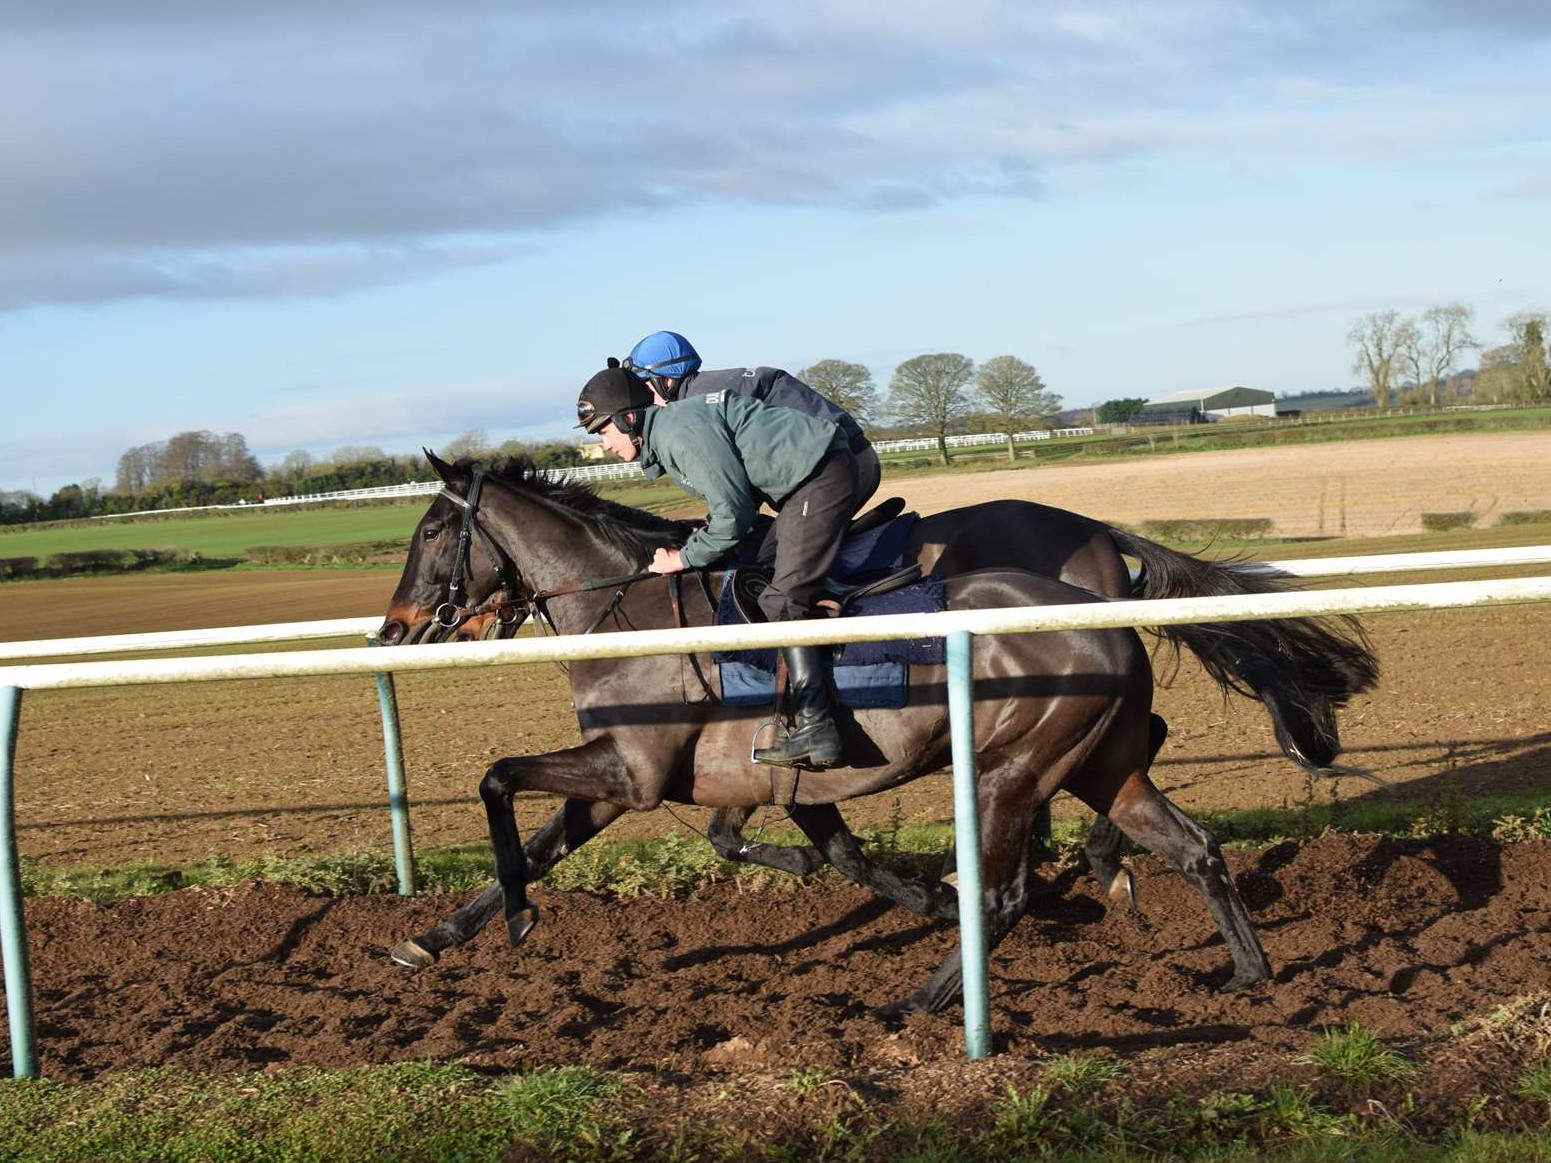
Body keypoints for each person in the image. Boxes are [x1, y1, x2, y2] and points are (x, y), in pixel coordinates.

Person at [576, 363, 858, 769]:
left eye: (604, 430)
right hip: (805, 481)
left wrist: (683, 558)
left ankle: (818, 726)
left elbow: (733, 515)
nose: (604, 443)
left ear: (629, 418)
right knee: (757, 565)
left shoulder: (677, 432)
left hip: (818, 478)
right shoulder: (670, 431)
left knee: (782, 601)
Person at [622, 331, 882, 509]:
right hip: (850, 458)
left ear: (665, 380)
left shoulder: (697, 403)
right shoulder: (710, 386)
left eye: (644, 386)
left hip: (839, 466)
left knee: (778, 557)